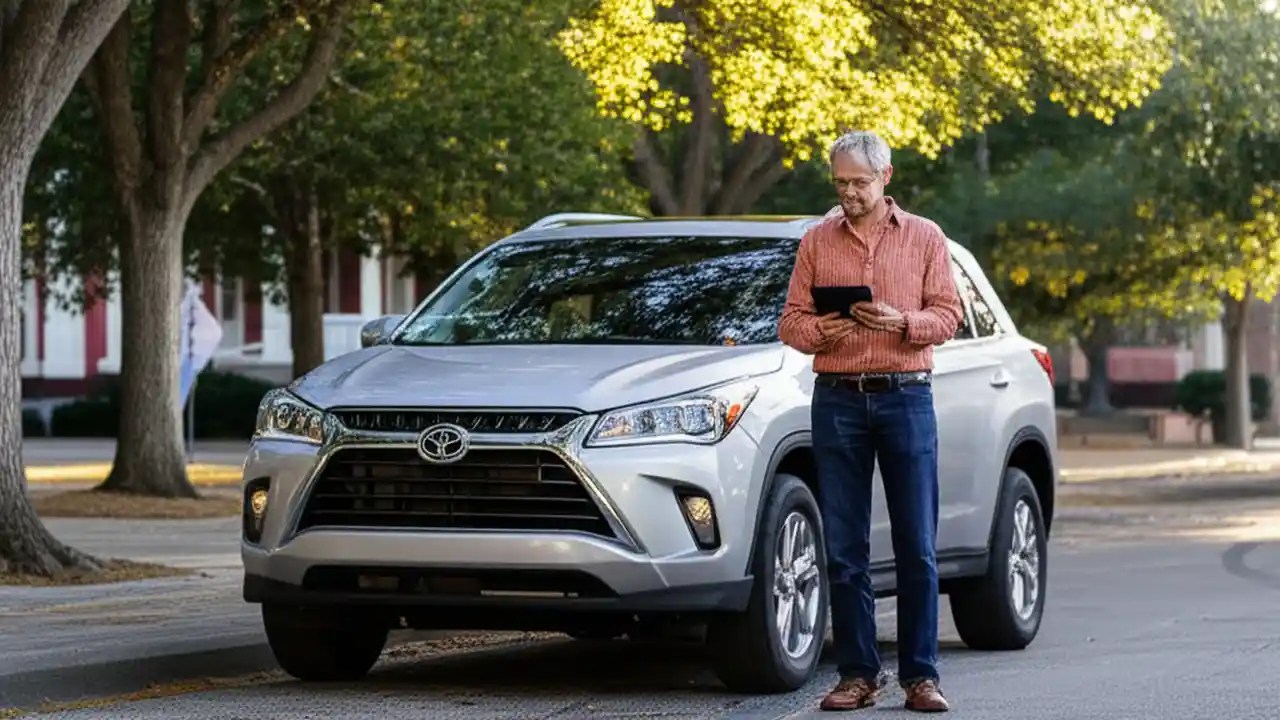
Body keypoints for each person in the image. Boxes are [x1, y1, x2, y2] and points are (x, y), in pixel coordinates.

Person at [778, 130, 963, 713]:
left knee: (916, 542)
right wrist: (819, 333)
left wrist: (901, 321)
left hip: (906, 396)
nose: (849, 193)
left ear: (886, 177)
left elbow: (948, 315)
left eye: (858, 182)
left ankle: (920, 677)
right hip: (836, 400)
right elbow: (791, 322)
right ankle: (857, 675)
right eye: (840, 183)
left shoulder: (927, 237)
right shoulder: (815, 242)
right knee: (843, 545)